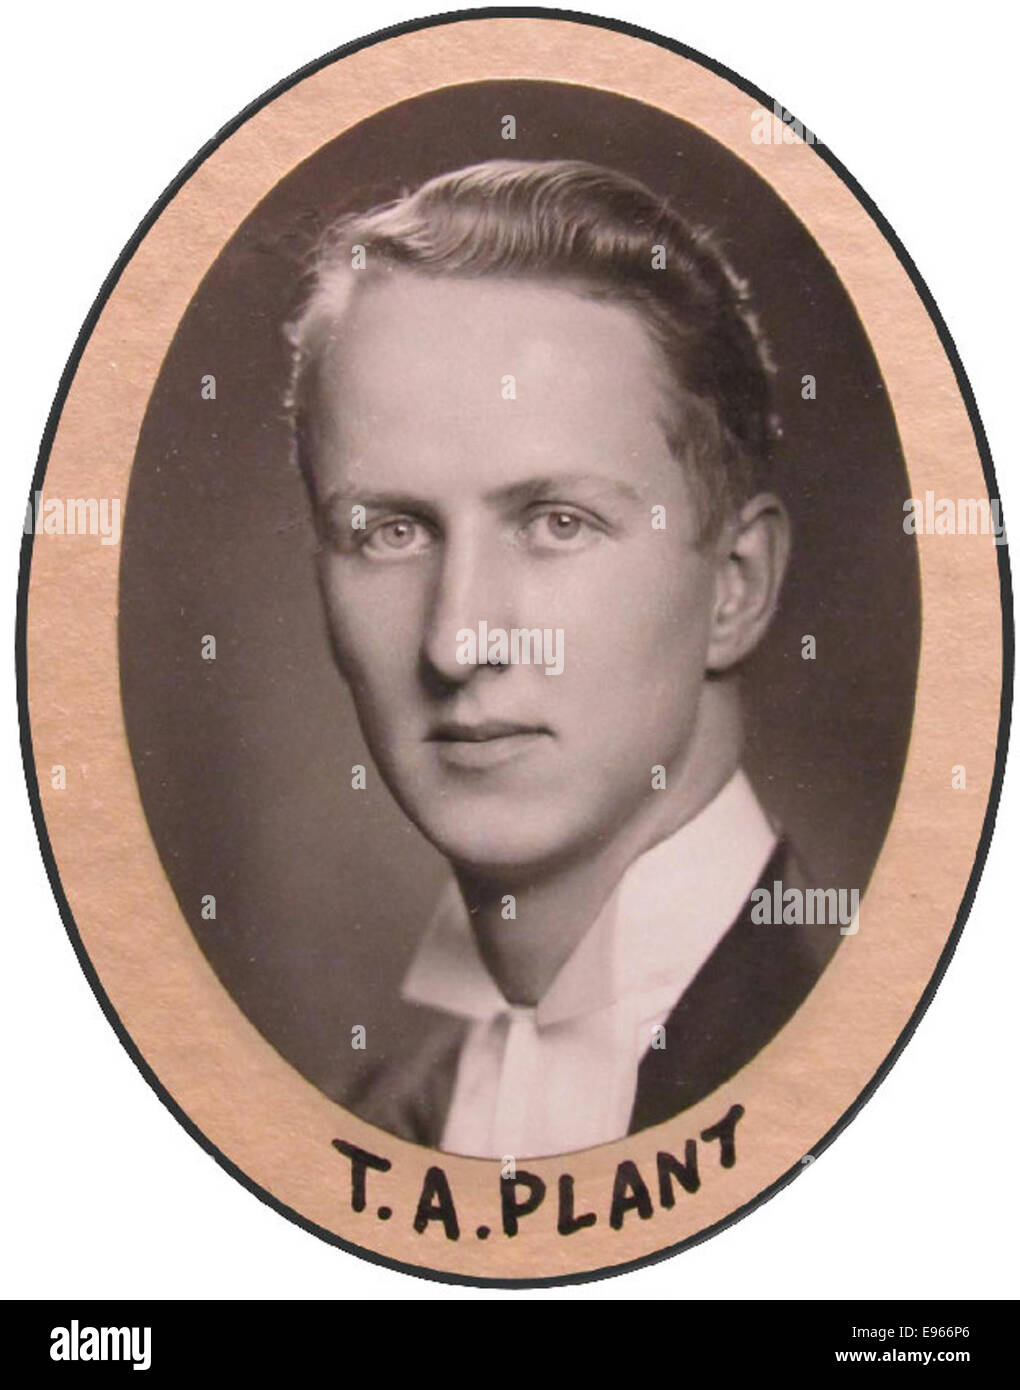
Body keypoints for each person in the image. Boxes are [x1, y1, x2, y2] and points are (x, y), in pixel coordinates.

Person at [285, 159, 841, 1158]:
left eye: (557, 521)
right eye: (393, 532)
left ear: (736, 585)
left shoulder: (900, 1083)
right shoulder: (356, 1130)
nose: (458, 641)